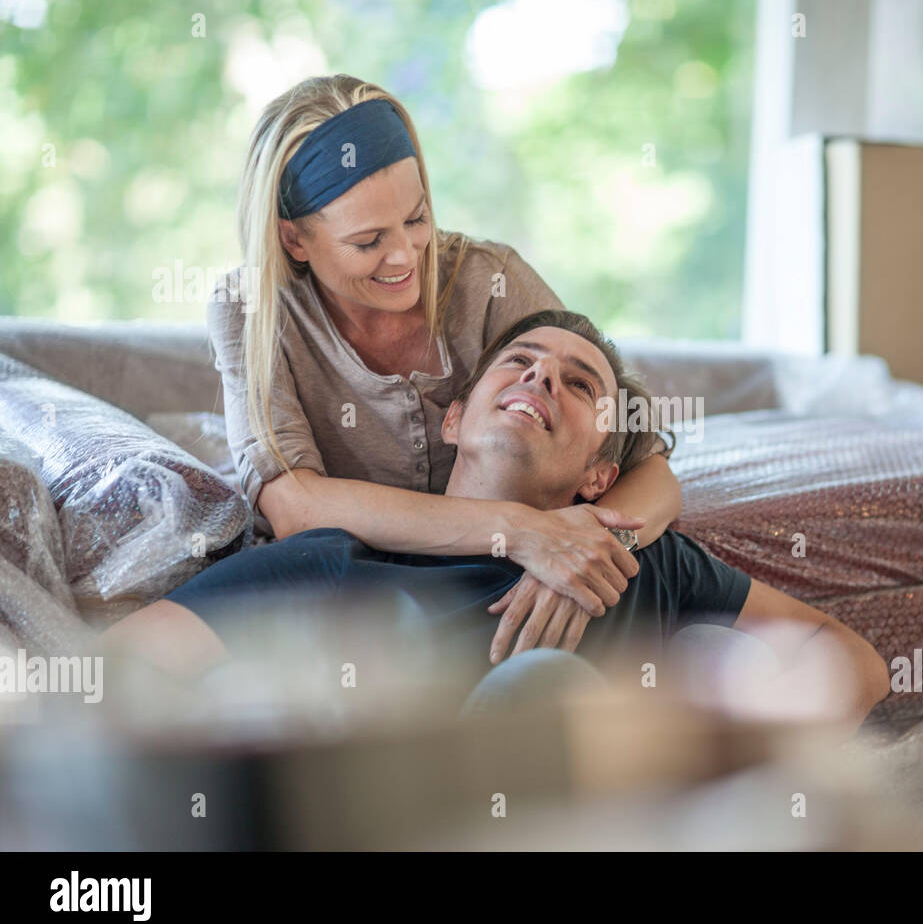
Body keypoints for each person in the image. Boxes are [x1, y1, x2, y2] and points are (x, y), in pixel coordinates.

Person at [99, 311, 891, 730]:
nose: (544, 373)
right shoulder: (339, 562)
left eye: (580, 385)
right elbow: (119, 671)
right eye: (520, 363)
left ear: (600, 475)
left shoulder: (648, 567)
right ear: (453, 423)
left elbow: (853, 659)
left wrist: (723, 756)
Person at [212, 73, 680, 652]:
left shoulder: (489, 280)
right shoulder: (249, 309)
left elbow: (648, 468)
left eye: (416, 219)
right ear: (294, 240)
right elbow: (294, 506)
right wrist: (529, 535)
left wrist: (588, 557)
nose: (405, 257)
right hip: (346, 606)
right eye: (368, 241)